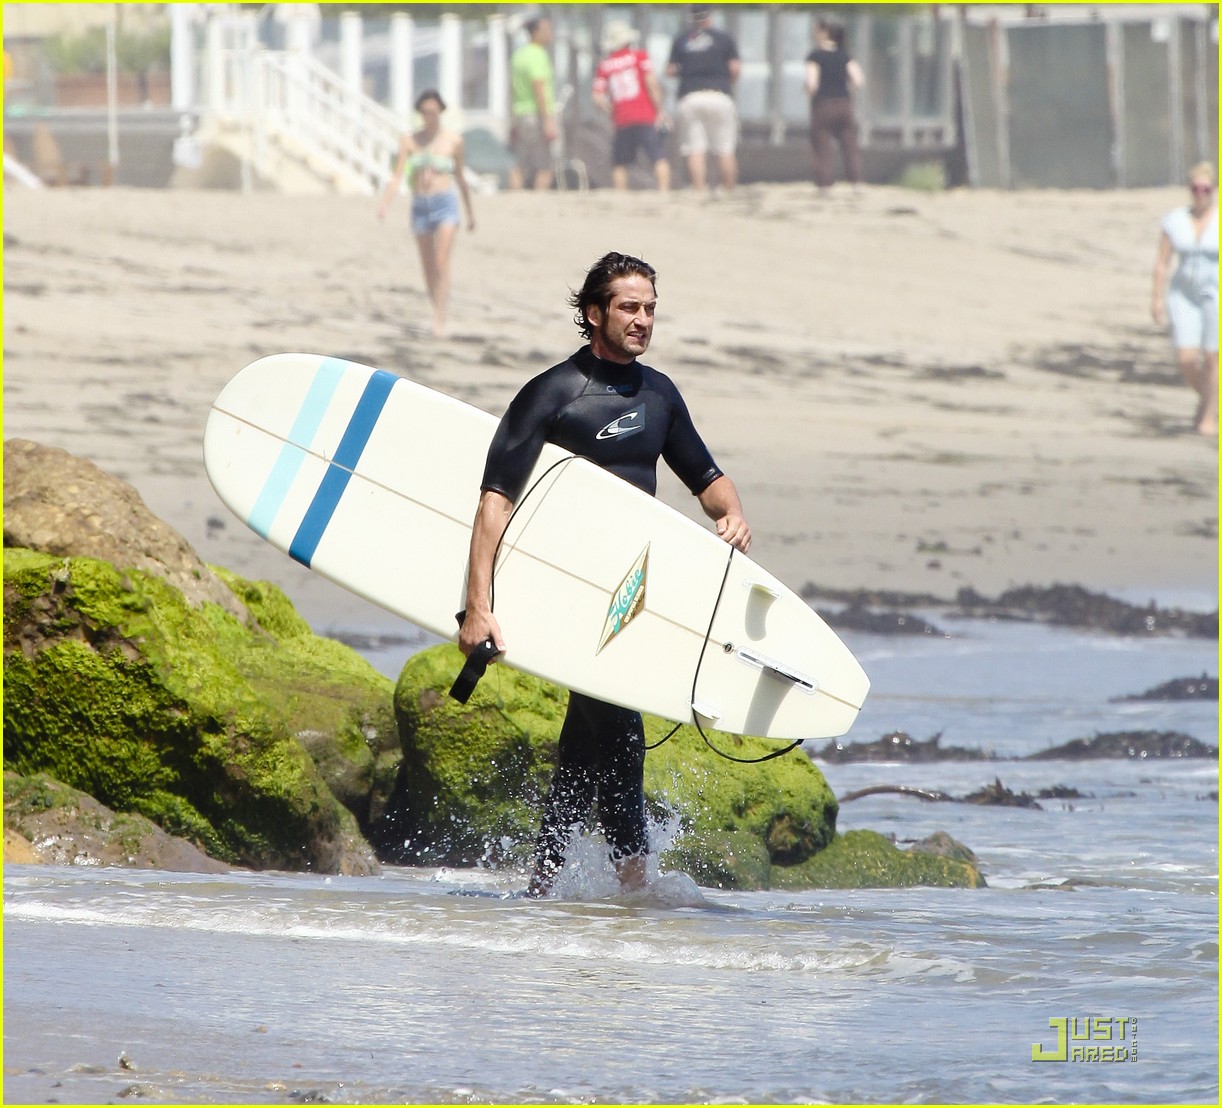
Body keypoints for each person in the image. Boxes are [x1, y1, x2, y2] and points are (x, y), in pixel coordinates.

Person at [458, 252, 752, 897]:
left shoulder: (659, 396)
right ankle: (634, 887)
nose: (642, 320)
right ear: (594, 313)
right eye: (629, 307)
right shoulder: (553, 393)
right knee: (617, 726)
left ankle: (543, 885)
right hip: (566, 589)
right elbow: (494, 501)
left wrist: (731, 516)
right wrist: (476, 607)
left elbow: (707, 481)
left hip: (629, 593)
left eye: (650, 309)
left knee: (590, 735)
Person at [378, 89, 476, 339]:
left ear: (440, 112)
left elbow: (461, 178)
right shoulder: (410, 140)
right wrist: (385, 204)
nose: (429, 116)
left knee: (442, 263)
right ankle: (437, 306)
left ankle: (439, 318)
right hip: (421, 204)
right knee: (428, 266)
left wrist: (470, 213)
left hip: (446, 203)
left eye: (433, 111)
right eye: (424, 112)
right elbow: (398, 175)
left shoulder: (454, 141)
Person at [1152, 162, 1219, 435]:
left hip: (1215, 292)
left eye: (1205, 189)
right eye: (1195, 189)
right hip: (1183, 294)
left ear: (1214, 190)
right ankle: (1209, 399)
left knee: (1213, 355)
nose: (1200, 193)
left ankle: (1208, 417)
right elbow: (1162, 263)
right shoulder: (1175, 220)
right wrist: (1156, 298)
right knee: (1186, 358)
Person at [666, 5, 740, 193]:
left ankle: (699, 190)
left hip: (691, 96)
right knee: (725, 148)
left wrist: (688, 70)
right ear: (710, 17)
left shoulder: (682, 39)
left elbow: (670, 70)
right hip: (719, 94)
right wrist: (726, 82)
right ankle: (729, 190)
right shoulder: (723, 38)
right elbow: (734, 69)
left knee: (695, 148)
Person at [592, 21, 671, 192]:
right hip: (645, 114)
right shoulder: (639, 56)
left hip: (622, 118)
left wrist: (611, 110)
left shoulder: (604, 65)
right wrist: (660, 110)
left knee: (620, 162)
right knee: (658, 156)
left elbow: (597, 97)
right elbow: (651, 84)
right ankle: (664, 191)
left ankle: (621, 194)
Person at [805, 19, 865, 194]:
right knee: (850, 145)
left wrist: (809, 94)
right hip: (844, 104)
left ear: (824, 32)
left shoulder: (815, 56)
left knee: (822, 146)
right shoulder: (845, 54)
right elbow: (859, 80)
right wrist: (846, 91)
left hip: (823, 104)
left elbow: (811, 83)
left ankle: (824, 185)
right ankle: (856, 183)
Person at [508, 16, 557, 191]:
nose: (551, 34)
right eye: (547, 30)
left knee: (520, 162)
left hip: (520, 113)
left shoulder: (518, 55)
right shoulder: (538, 55)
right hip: (536, 114)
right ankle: (539, 201)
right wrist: (547, 120)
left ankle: (515, 198)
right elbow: (539, 86)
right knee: (545, 163)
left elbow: (511, 88)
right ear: (535, 33)